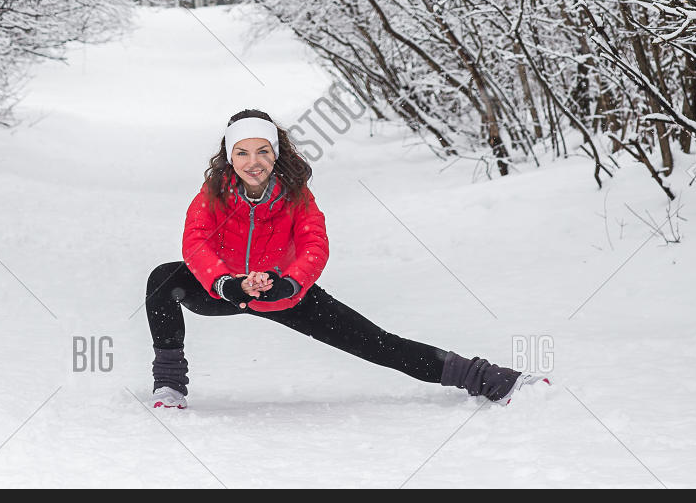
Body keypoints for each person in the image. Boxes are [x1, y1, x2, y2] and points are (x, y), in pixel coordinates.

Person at [143, 108, 548, 409]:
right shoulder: (211, 194)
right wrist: (227, 283)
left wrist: (289, 283)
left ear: (276, 152)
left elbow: (314, 244)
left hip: (285, 292)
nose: (254, 162)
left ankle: (489, 379)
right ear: (230, 157)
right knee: (163, 280)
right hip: (225, 289)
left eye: (263, 151)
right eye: (243, 152)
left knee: (381, 345)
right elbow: (196, 243)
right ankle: (170, 385)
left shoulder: (296, 195)